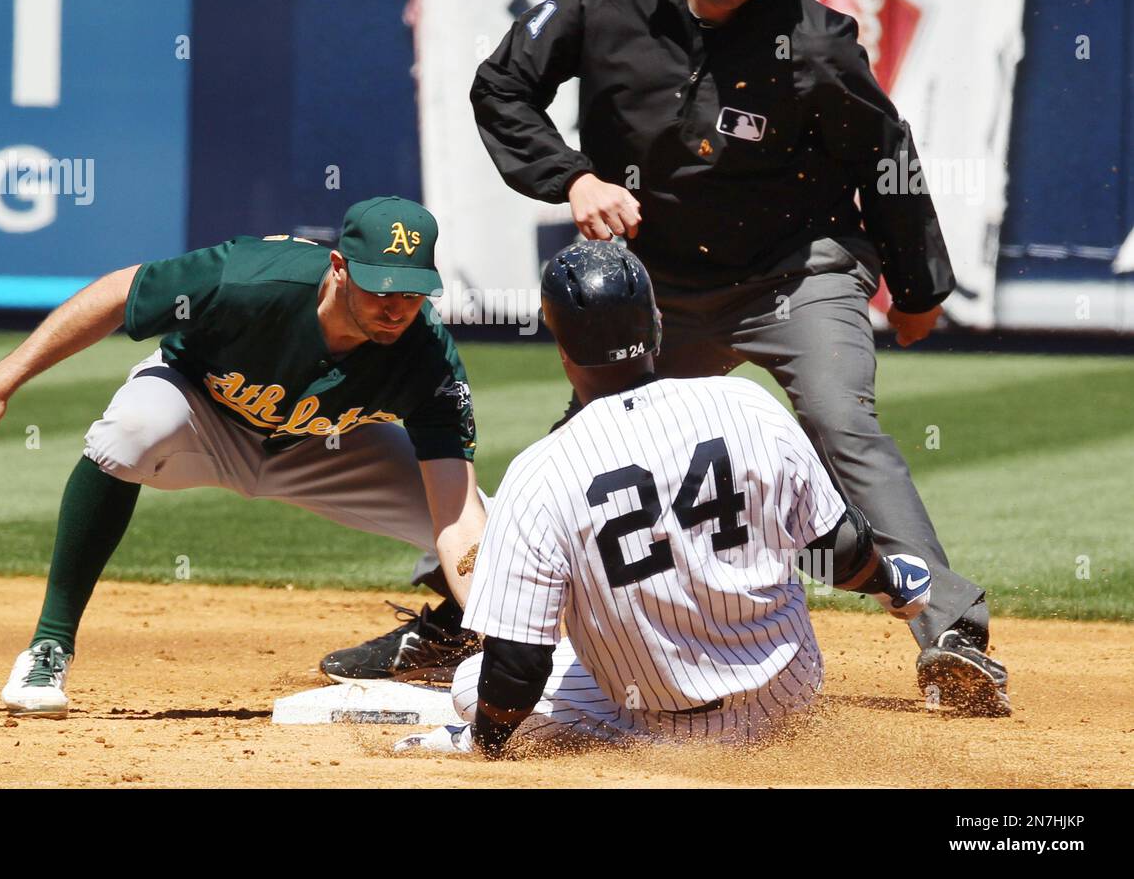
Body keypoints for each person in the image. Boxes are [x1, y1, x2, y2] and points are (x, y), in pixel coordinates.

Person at [467, 0, 1009, 716]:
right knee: (582, 452)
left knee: (837, 416)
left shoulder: (818, 42)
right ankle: (471, 621)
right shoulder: (611, 0)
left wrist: (917, 285)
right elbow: (502, 85)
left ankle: (951, 632)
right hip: (663, 286)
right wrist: (571, 178)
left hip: (796, 269)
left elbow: (887, 155)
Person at [0, 196, 485, 717]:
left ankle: (483, 648)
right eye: (381, 290)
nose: (396, 309)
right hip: (200, 413)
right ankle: (48, 648)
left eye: (412, 294)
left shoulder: (428, 356)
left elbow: (458, 517)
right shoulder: (251, 277)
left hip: (325, 447)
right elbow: (115, 294)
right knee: (131, 429)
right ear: (339, 267)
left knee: (505, 535)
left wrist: (498, 635)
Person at [395, 241, 933, 756]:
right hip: (785, 699)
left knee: (472, 684)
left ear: (561, 350)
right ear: (656, 327)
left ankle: (621, 747)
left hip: (651, 717)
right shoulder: (746, 404)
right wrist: (892, 586)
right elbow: (836, 550)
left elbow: (518, 663)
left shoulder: (539, 472)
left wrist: (483, 743)